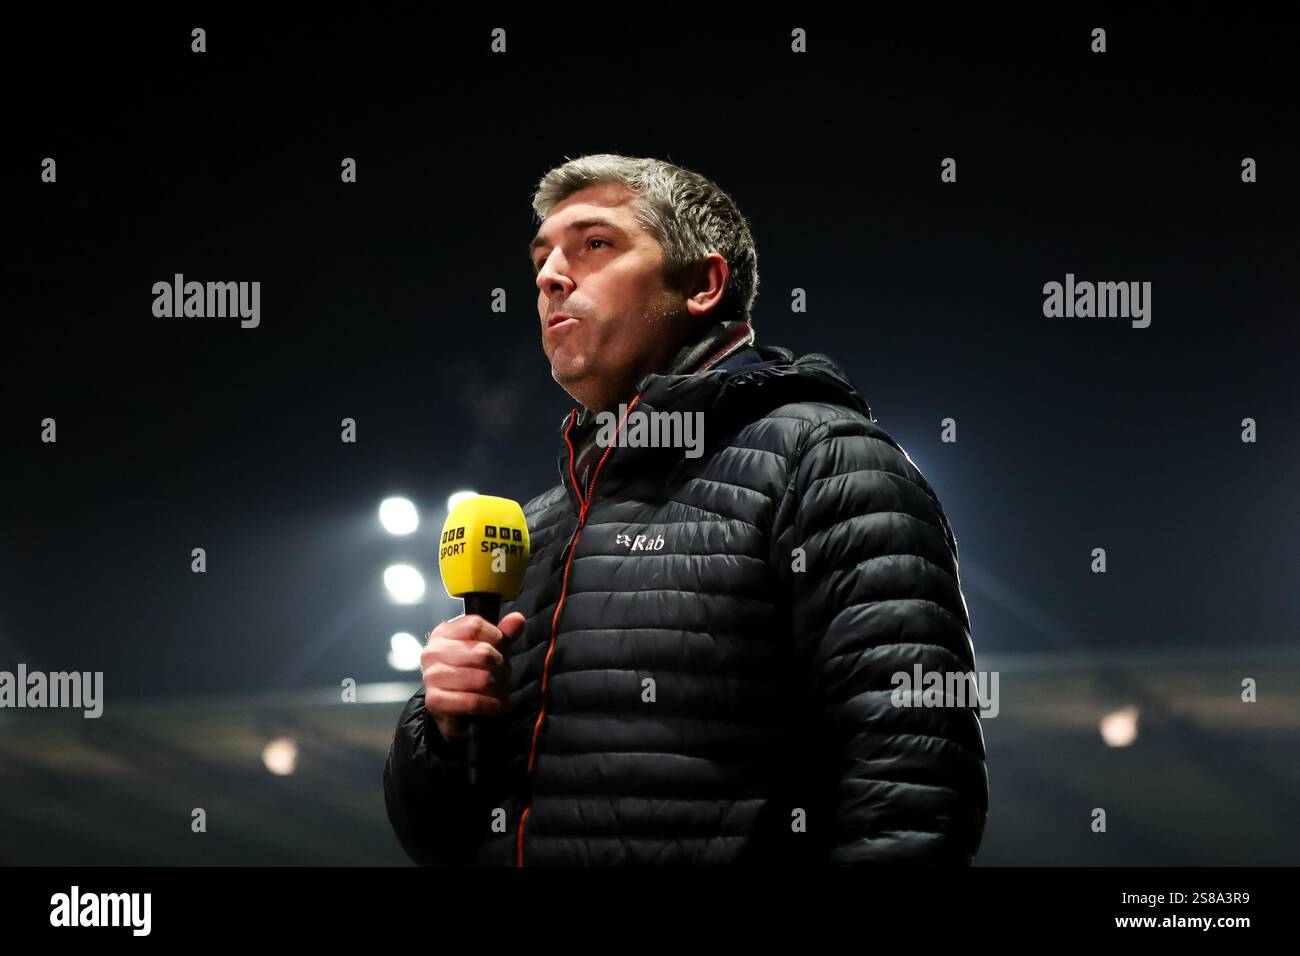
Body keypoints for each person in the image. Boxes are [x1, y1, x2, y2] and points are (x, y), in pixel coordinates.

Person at [383, 153, 988, 865]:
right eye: (542, 258)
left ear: (703, 284)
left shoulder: (827, 462)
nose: (549, 277)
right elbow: (442, 841)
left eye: (595, 245)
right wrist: (442, 732)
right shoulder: (541, 526)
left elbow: (912, 799)